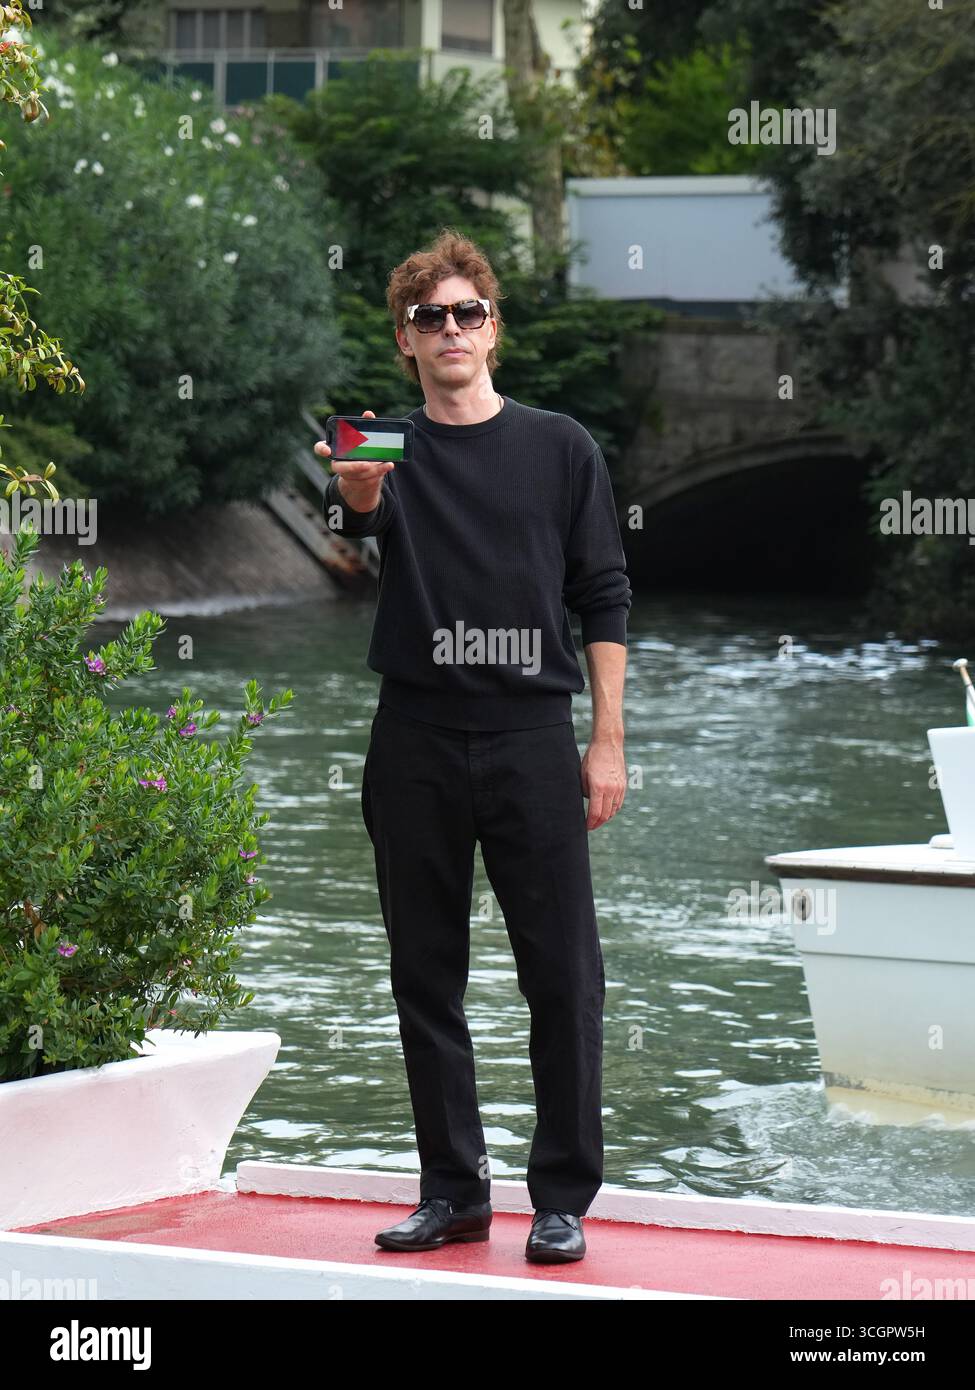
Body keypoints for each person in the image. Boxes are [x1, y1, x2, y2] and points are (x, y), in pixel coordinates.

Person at [315, 228, 631, 1265]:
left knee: (564, 975)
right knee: (424, 973)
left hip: (536, 733)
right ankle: (452, 1189)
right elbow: (355, 523)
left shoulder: (562, 447)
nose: (449, 330)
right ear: (405, 340)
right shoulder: (380, 444)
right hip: (413, 734)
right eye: (427, 317)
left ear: (494, 326)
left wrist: (607, 742)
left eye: (467, 312)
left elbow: (604, 596)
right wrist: (359, 489)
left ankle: (562, 1197)